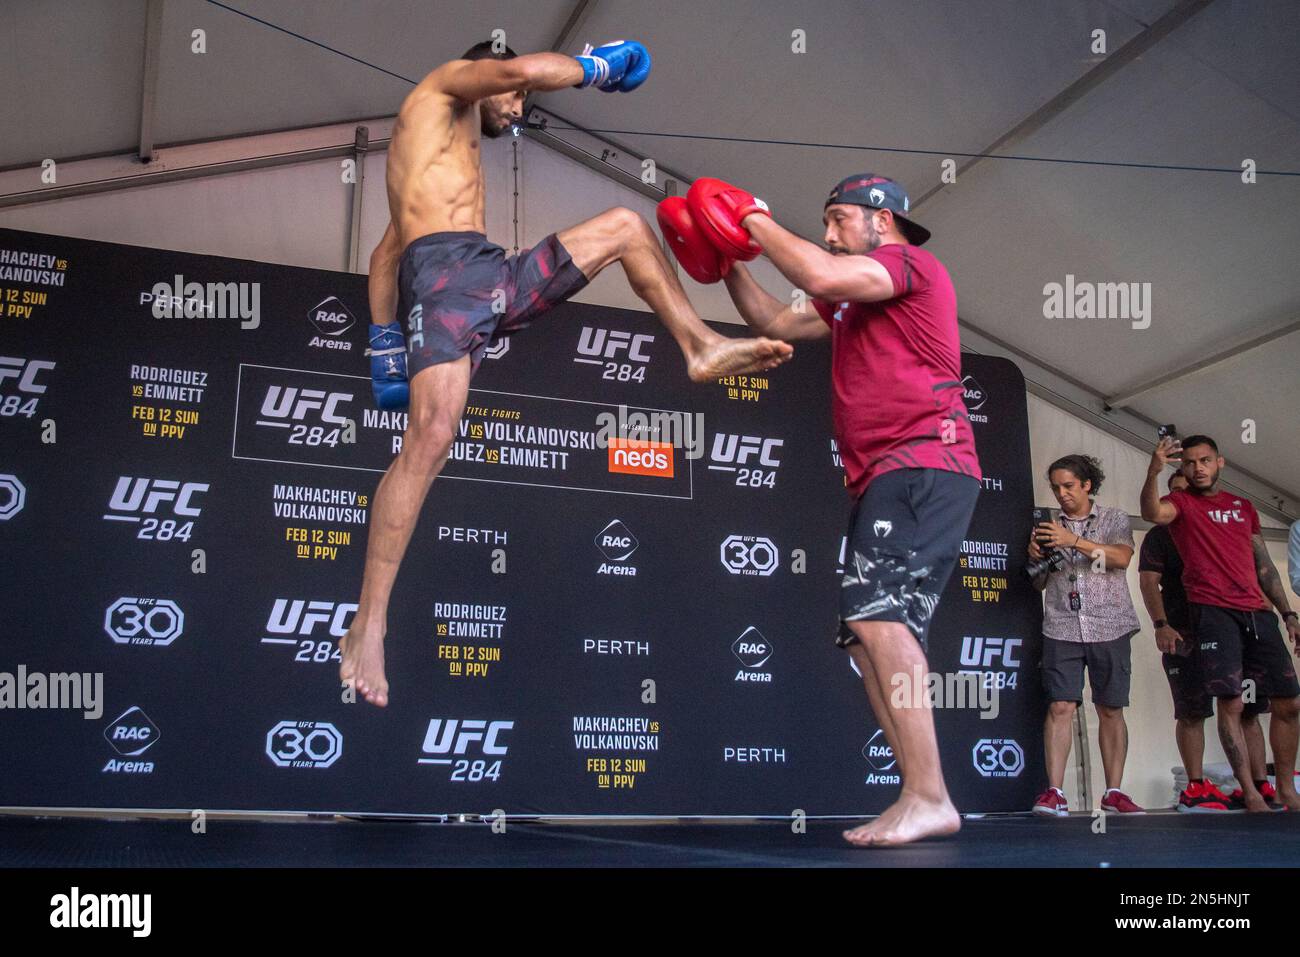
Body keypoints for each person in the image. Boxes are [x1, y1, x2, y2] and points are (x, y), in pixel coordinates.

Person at [342, 40, 792, 707]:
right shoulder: (440, 88)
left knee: (626, 227)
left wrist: (383, 342)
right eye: (514, 96)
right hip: (443, 280)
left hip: (488, 272)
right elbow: (520, 71)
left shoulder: (444, 148)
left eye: (524, 100)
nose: (519, 105)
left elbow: (383, 252)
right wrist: (597, 67)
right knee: (433, 437)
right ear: (482, 73)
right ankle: (367, 624)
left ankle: (698, 344)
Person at [664, 173, 981, 846]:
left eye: (839, 219)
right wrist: (726, 266)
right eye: (827, 223)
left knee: (881, 618)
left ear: (881, 220)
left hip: (925, 459)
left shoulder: (908, 263)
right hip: (887, 475)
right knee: (866, 638)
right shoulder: (851, 300)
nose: (831, 234)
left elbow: (817, 270)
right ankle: (919, 792)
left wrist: (749, 215)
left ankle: (931, 795)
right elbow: (779, 319)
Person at [1141, 434, 1300, 811]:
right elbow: (1151, 513)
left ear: (1220, 462)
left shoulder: (1243, 506)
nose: (1198, 468)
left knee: (1289, 702)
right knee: (1230, 701)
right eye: (1191, 462)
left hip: (1258, 612)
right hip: (1212, 611)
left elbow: (1263, 565)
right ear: (1182, 468)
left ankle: (1285, 788)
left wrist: (1288, 613)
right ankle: (1248, 790)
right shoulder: (1179, 504)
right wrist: (1153, 469)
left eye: (1205, 461)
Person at [1026, 455, 1143, 816]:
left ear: (1087, 485)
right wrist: (1035, 556)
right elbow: (1038, 582)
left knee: (1110, 708)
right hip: (1062, 624)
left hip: (1110, 623)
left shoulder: (1113, 518)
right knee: (1060, 705)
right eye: (1056, 488)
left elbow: (1121, 558)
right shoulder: (1047, 526)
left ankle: (1113, 792)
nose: (1062, 494)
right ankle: (1055, 792)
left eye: (1068, 486)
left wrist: (1072, 540)